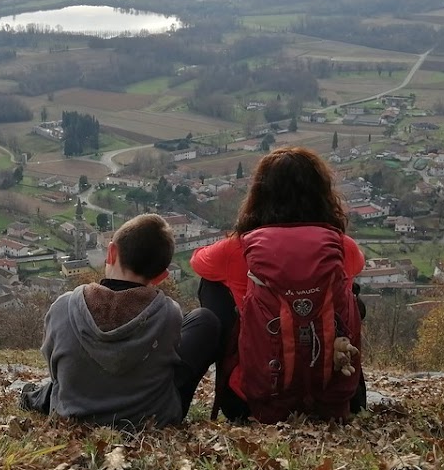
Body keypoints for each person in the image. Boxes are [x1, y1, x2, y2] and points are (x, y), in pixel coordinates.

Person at [192, 146, 366, 422]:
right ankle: (343, 374)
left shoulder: (240, 248)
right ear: (323, 194)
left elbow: (198, 262)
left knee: (211, 285)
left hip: (250, 400)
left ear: (259, 195)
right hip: (333, 400)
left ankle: (231, 373)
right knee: (350, 293)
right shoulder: (342, 247)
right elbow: (357, 267)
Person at [20, 213, 219, 428]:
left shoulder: (63, 307)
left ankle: (35, 397)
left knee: (58, 382)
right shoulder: (169, 314)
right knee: (205, 321)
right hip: (152, 420)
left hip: (73, 416)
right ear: (162, 276)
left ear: (111, 252)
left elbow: (56, 371)